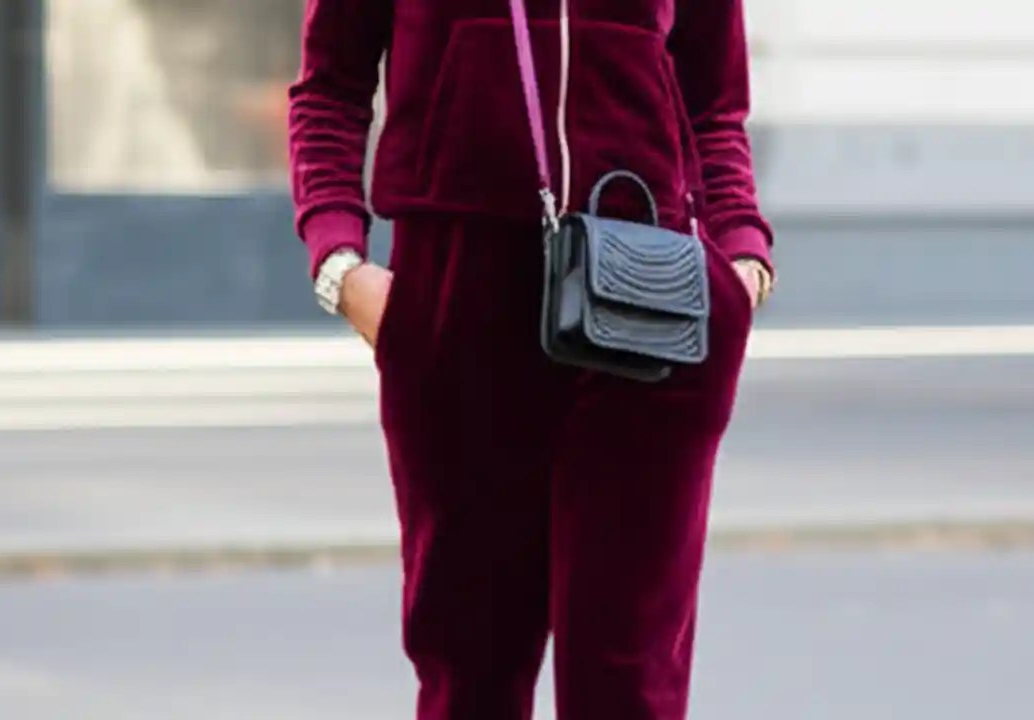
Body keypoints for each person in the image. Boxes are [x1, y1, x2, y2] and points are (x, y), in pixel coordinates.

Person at [288, 1, 774, 717]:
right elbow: (330, 88)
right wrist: (341, 264)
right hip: (460, 296)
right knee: (468, 672)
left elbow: (714, 103)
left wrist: (741, 254)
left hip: (649, 296)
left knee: (630, 683)